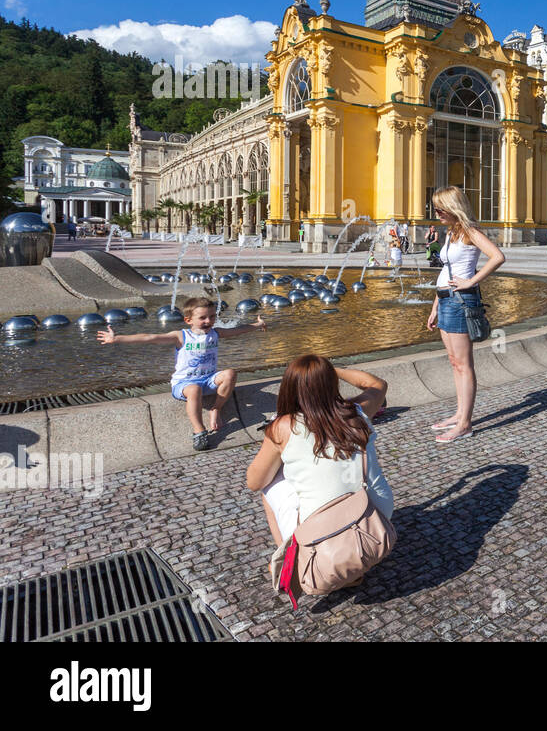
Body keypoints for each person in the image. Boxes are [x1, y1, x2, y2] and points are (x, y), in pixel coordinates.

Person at [245, 356, 394, 583]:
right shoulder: (356, 412)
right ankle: (355, 557)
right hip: (378, 513)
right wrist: (334, 370)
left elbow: (254, 482)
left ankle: (292, 560)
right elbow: (377, 384)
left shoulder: (283, 426)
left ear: (289, 388)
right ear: (332, 383)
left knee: (270, 484)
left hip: (322, 530)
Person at [97, 296, 266, 451]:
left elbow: (239, 330)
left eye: (212, 316)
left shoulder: (216, 333)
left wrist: (258, 325)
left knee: (230, 373)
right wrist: (117, 338)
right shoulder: (181, 336)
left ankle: (216, 408)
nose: (209, 321)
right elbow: (150, 337)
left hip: (208, 380)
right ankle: (199, 432)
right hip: (184, 384)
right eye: (203, 318)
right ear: (188, 320)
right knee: (194, 389)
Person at [425, 185, 506, 444]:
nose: (435, 212)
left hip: (461, 301)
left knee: (463, 364)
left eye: (439, 208)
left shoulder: (470, 231)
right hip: (447, 300)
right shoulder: (451, 232)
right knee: (453, 361)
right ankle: (459, 414)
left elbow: (497, 257)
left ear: (452, 207)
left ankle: (465, 424)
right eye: (435, 208)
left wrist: (471, 281)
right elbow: (446, 271)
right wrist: (435, 306)